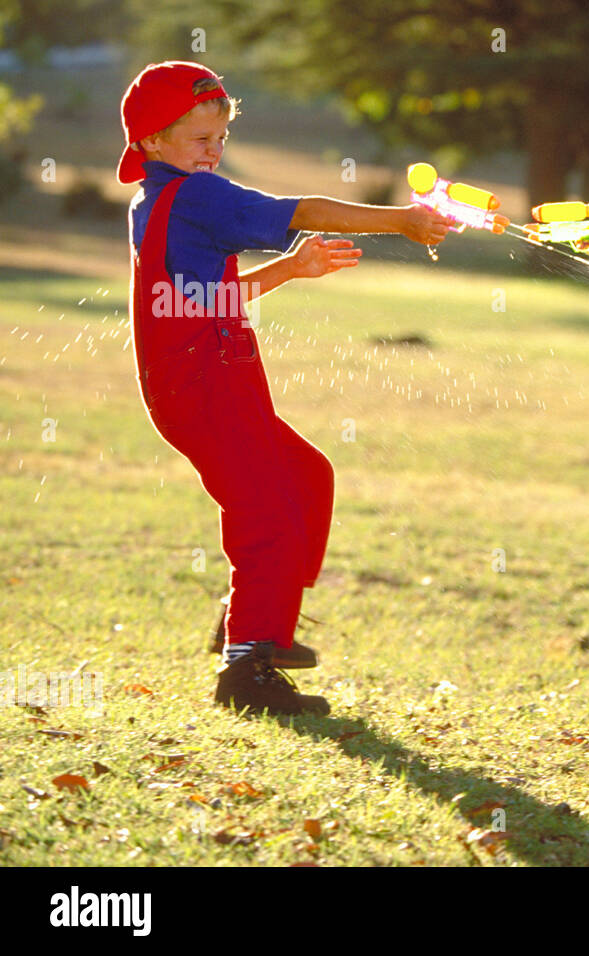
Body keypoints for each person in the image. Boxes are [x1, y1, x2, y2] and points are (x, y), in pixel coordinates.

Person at [119, 61, 451, 716]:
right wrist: (403, 222)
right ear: (152, 142)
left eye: (221, 140)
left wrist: (289, 271)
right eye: (199, 141)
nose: (214, 155)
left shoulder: (160, 198)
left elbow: (199, 299)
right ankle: (248, 667)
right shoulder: (196, 197)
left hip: (202, 384)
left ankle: (251, 620)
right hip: (205, 386)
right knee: (266, 512)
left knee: (306, 478)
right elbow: (302, 210)